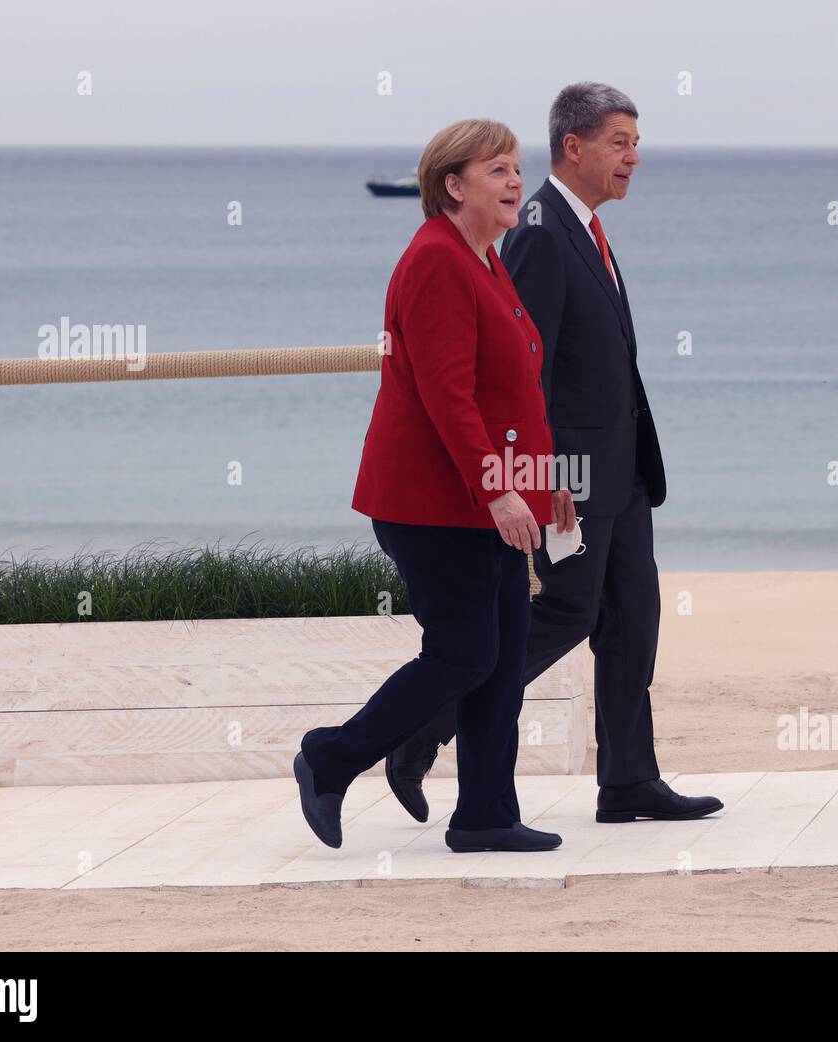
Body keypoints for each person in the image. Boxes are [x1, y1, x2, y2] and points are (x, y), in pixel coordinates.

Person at [386, 84, 723, 825]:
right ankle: (421, 729)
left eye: (636, 143)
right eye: (619, 143)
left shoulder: (588, 228)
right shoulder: (539, 229)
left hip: (624, 470)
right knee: (568, 611)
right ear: (573, 147)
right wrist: (544, 474)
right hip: (572, 472)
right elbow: (519, 368)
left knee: (634, 616)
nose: (634, 157)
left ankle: (630, 780)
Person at [295, 118, 564, 854]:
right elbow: (451, 397)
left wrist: (543, 485)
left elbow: (514, 395)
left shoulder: (484, 258)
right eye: (498, 170)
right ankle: (331, 756)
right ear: (453, 185)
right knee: (466, 654)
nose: (516, 182)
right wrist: (498, 490)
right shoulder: (436, 262)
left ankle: (484, 814)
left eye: (518, 169)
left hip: (489, 503)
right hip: (436, 506)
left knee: (501, 665)